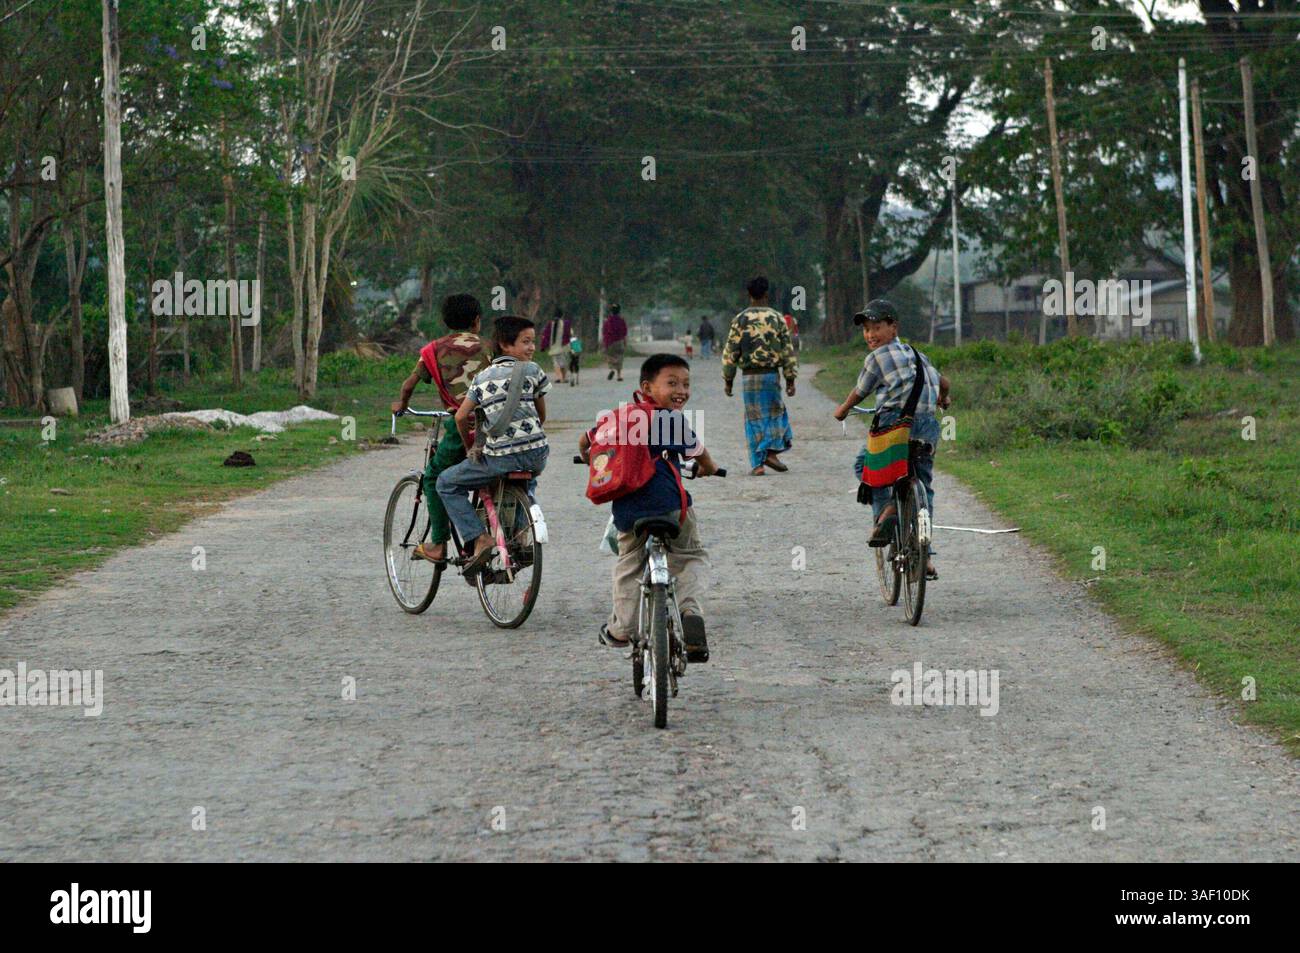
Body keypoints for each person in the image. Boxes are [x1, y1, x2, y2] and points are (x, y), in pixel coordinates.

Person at [578, 353, 718, 662]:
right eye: (672, 383)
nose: (681, 390)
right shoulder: (671, 420)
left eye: (685, 383)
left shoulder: (619, 416)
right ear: (648, 386)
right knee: (688, 556)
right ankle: (690, 612)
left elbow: (585, 443)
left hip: (628, 513)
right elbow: (702, 456)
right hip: (672, 509)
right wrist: (709, 467)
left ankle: (621, 629)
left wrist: (592, 460)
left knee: (629, 563)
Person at [832, 298, 950, 580]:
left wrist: (843, 409)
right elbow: (944, 383)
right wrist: (944, 399)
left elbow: (861, 391)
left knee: (867, 468)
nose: (870, 335)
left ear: (893, 327)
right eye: (866, 330)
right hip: (926, 428)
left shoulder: (876, 358)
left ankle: (886, 512)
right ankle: (926, 556)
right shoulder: (918, 355)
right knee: (923, 485)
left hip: (894, 425)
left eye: (877, 327)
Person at [436, 316, 551, 576]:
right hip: (537, 455)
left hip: (502, 458)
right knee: (528, 479)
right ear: (505, 345)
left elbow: (460, 416)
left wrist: (470, 448)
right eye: (526, 342)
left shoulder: (481, 378)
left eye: (532, 341)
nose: (531, 347)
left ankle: (479, 538)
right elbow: (541, 417)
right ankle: (521, 537)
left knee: (445, 482)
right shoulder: (534, 370)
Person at [390, 293, 489, 564]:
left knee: (435, 476)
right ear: (477, 321)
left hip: (464, 427)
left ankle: (438, 543)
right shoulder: (490, 346)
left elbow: (409, 384)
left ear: (445, 322)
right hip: (496, 426)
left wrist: (402, 404)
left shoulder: (433, 350)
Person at [721, 275, 797, 476]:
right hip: (771, 376)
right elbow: (787, 351)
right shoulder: (777, 318)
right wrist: (790, 378)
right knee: (775, 413)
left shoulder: (740, 319)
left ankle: (758, 465)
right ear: (766, 294)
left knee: (753, 417)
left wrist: (728, 380)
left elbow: (731, 352)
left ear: (748, 295)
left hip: (749, 377)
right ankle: (770, 452)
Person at [539, 308, 572, 384]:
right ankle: (564, 377)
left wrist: (543, 346)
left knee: (556, 363)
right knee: (563, 363)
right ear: (562, 315)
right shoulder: (566, 323)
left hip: (553, 347)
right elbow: (569, 334)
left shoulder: (550, 324)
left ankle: (559, 377)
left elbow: (545, 336)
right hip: (563, 347)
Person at [601, 304, 628, 381]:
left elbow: (604, 332)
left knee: (609, 355)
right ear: (619, 311)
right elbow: (624, 332)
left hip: (610, 342)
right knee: (620, 356)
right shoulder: (621, 320)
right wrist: (625, 342)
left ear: (611, 311)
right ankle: (619, 376)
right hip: (619, 341)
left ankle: (612, 369)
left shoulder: (607, 321)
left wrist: (604, 343)